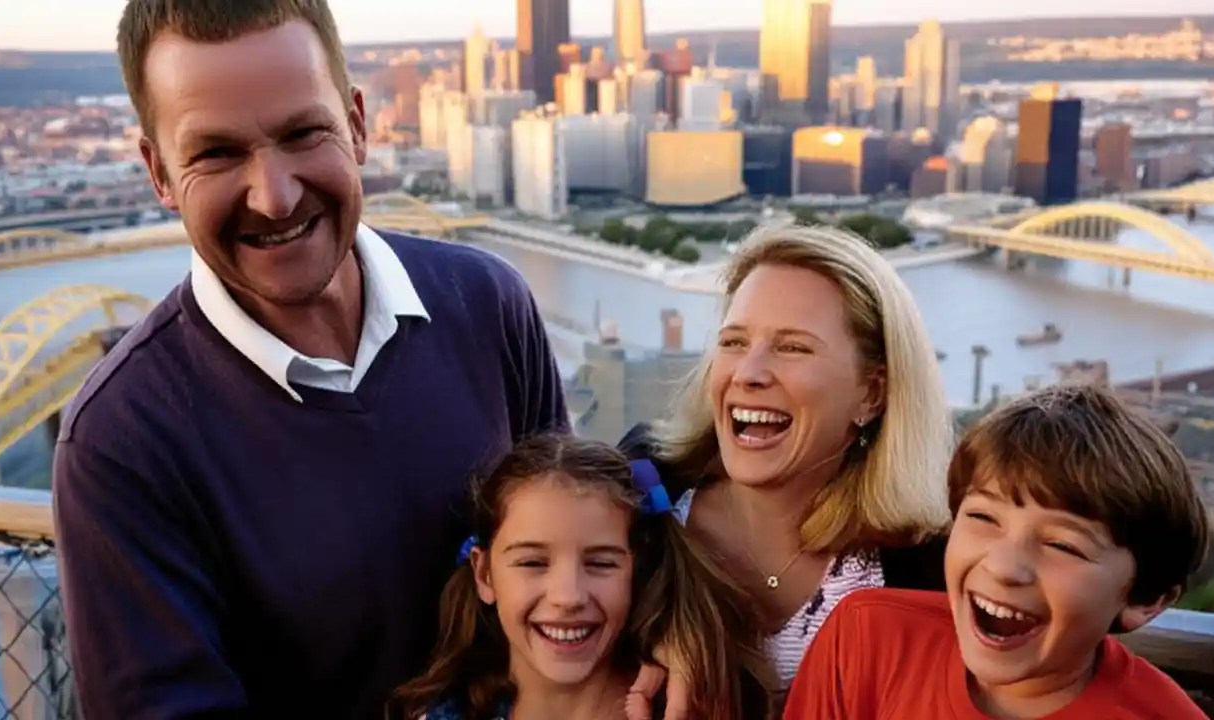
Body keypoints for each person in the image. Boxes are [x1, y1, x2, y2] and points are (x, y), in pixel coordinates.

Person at [51, 2, 570, 717]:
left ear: (357, 125)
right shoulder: (121, 443)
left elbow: (584, 546)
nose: (275, 195)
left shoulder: (488, 304)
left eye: (303, 133)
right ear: (159, 173)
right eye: (216, 153)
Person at [622, 223, 954, 706]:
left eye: (792, 347)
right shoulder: (635, 492)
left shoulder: (932, 570)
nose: (748, 373)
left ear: (872, 392)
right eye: (734, 342)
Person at [783, 384, 1212, 720]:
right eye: (983, 519)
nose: (1004, 566)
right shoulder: (868, 641)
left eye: (1062, 545)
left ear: (1146, 599)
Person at [392, 434, 775, 720]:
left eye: (601, 564)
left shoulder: (692, 709)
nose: (568, 596)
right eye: (532, 563)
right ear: (484, 574)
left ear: (637, 570)